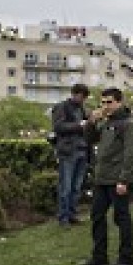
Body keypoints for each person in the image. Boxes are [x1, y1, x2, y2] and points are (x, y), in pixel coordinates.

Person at [79, 88, 133, 265]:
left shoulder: (128, 124)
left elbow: (132, 153)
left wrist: (124, 179)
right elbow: (90, 139)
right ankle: (99, 256)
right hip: (101, 177)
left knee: (121, 218)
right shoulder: (105, 122)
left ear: (119, 102)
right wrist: (91, 122)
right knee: (97, 216)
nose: (106, 106)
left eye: (109, 102)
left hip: (117, 178)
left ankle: (126, 258)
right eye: (103, 102)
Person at [50, 83, 92, 227]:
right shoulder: (61, 107)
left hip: (82, 150)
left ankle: (72, 215)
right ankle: (63, 217)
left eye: (85, 97)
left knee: (76, 187)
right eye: (82, 96)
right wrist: (79, 125)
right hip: (68, 151)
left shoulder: (82, 109)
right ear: (75, 94)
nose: (83, 99)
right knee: (66, 187)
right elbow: (58, 126)